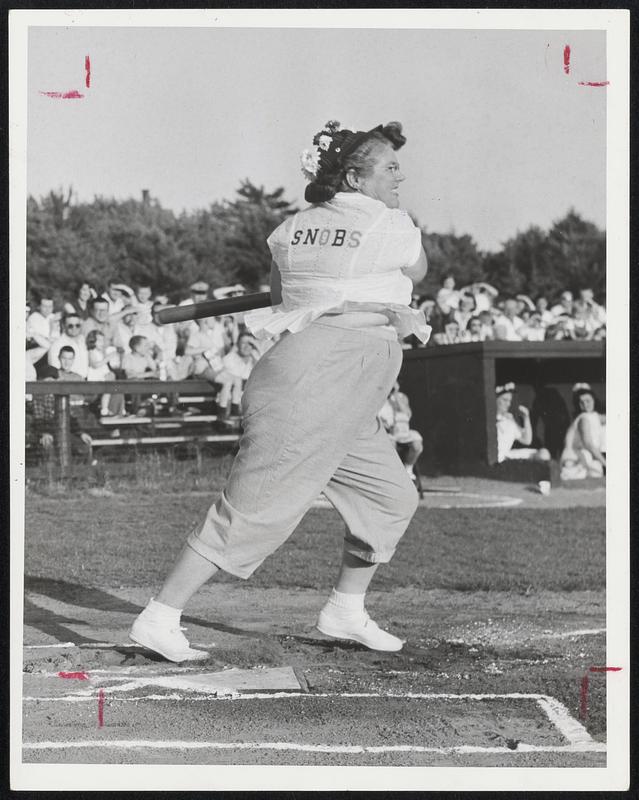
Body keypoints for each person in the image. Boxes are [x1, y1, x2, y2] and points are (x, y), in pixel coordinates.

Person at [129, 118, 430, 662]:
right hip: (319, 378)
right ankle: (161, 616)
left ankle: (345, 610)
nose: (398, 176)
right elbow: (422, 271)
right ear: (355, 178)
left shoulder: (291, 230)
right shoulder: (389, 223)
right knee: (254, 509)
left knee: (389, 496)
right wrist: (374, 294)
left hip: (340, 381)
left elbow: (282, 296)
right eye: (389, 167)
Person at [560, 383, 606, 480]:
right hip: (575, 459)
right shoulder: (583, 419)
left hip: (588, 457)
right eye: (581, 402)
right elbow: (588, 444)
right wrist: (606, 464)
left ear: (594, 400)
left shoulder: (594, 415)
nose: (585, 405)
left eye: (588, 401)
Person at [495, 382, 550, 463]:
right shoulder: (489, 418)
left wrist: (526, 418)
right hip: (496, 458)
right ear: (495, 399)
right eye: (505, 400)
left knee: (544, 454)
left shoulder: (509, 420)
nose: (508, 404)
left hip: (506, 457)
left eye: (510, 400)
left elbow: (527, 440)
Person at [378, 382, 423, 478]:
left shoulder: (402, 397)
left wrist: (395, 394)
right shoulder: (378, 397)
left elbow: (407, 413)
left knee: (417, 445)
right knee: (390, 446)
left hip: (404, 433)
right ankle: (394, 473)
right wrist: (386, 426)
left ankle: (408, 469)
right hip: (388, 434)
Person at [47, 313, 89, 378]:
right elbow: (55, 369)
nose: (74, 328)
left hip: (84, 382)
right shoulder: (57, 344)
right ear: (64, 326)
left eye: (77, 325)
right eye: (70, 326)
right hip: (67, 382)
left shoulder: (83, 340)